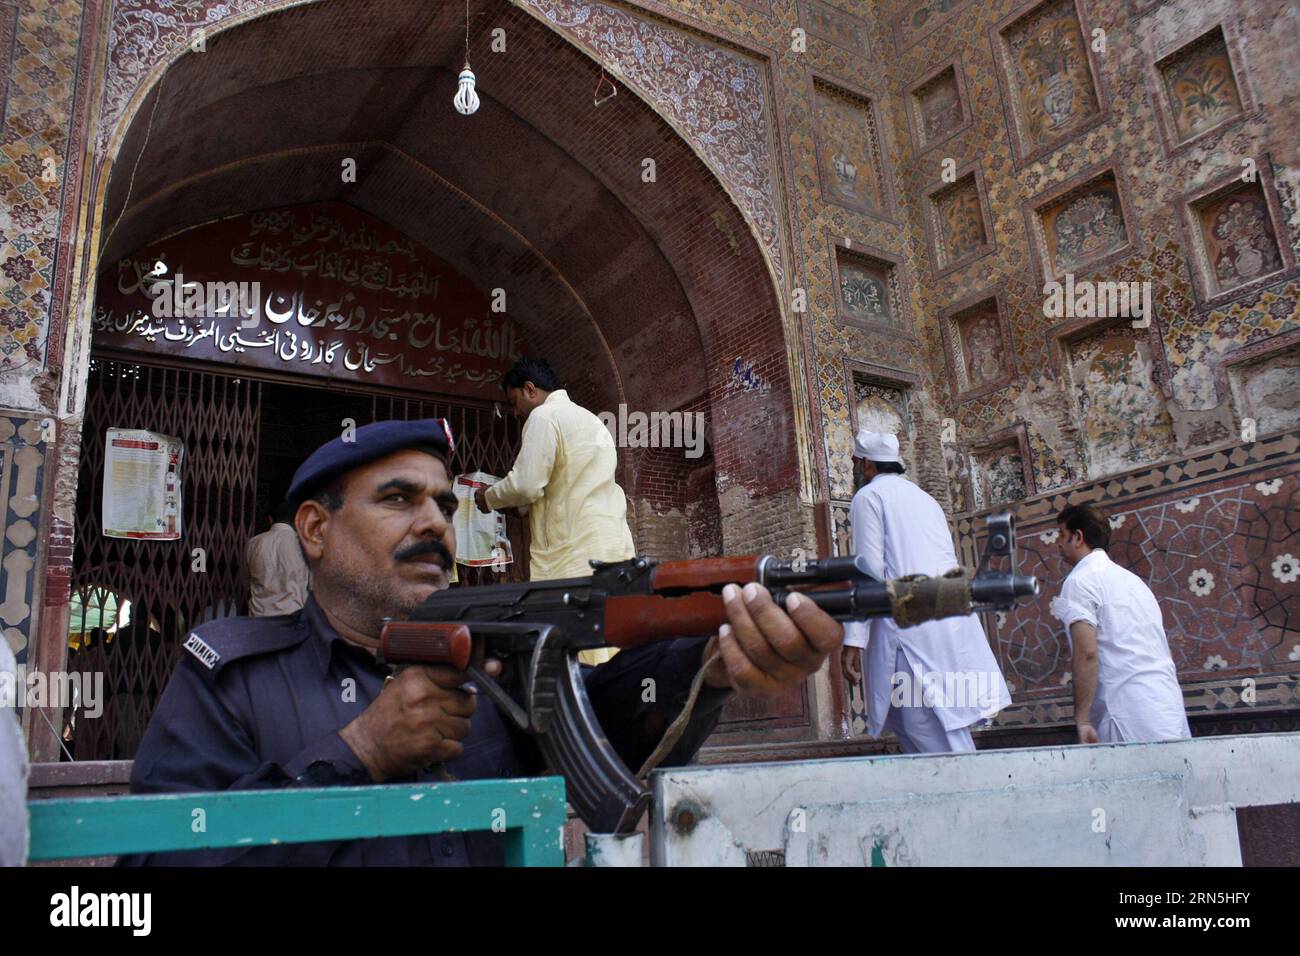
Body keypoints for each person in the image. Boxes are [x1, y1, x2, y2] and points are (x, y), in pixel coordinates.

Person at [121, 419, 841, 865]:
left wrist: (710, 663)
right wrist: (357, 754)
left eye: (443, 504)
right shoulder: (231, 673)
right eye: (398, 499)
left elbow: (605, 732)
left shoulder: (490, 663)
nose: (436, 522)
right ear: (314, 528)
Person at [839, 429, 1010, 753]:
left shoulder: (868, 497)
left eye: (855, 464)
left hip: (910, 629)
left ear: (867, 465)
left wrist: (853, 640)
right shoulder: (925, 498)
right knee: (912, 720)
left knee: (928, 725)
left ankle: (972, 795)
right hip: (947, 621)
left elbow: (868, 573)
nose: (855, 472)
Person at [474, 357, 635, 665]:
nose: (516, 411)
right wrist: (527, 509)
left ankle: (592, 708)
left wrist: (489, 498)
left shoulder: (543, 417)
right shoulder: (589, 420)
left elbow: (526, 483)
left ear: (530, 389)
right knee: (610, 633)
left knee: (579, 640)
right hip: (611, 541)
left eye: (514, 401)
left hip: (574, 549)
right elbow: (565, 483)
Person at [1053, 503, 1190, 744]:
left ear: (1078, 537)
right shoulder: (1134, 582)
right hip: (1168, 706)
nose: (1058, 543)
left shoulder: (1079, 581)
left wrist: (1082, 720)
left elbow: (1087, 652)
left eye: (1062, 535)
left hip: (1128, 713)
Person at [246, 500, 309, 616]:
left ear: (270, 519)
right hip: (292, 616)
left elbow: (246, 579)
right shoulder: (303, 544)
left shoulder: (253, 543)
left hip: (259, 616)